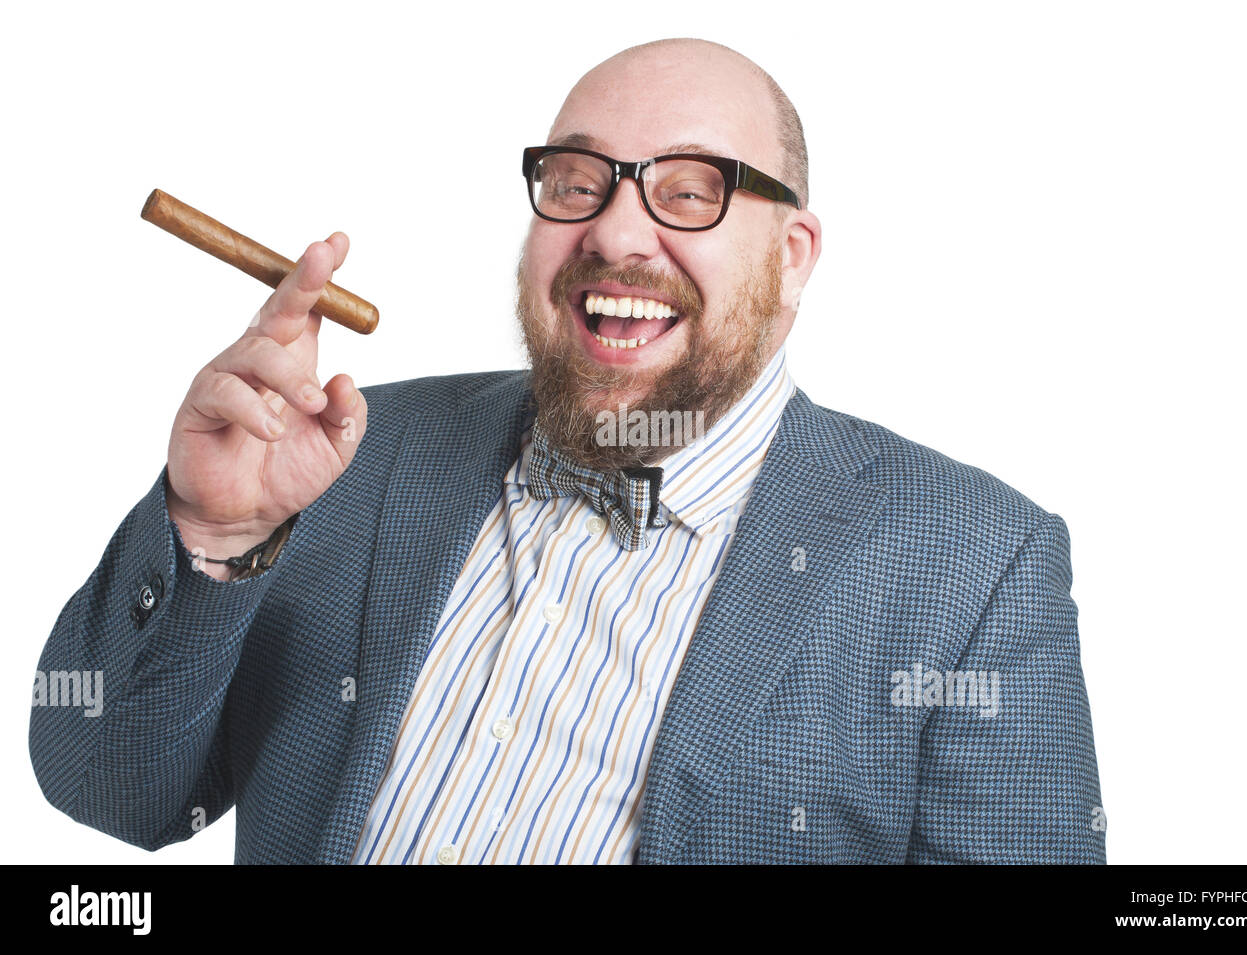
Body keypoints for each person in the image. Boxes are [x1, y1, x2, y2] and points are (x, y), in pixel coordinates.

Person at [28, 37, 1104, 864]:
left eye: (690, 189)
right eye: (577, 180)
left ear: (791, 254)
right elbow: (110, 793)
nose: (617, 233)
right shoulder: (338, 455)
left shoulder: (972, 566)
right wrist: (215, 532)